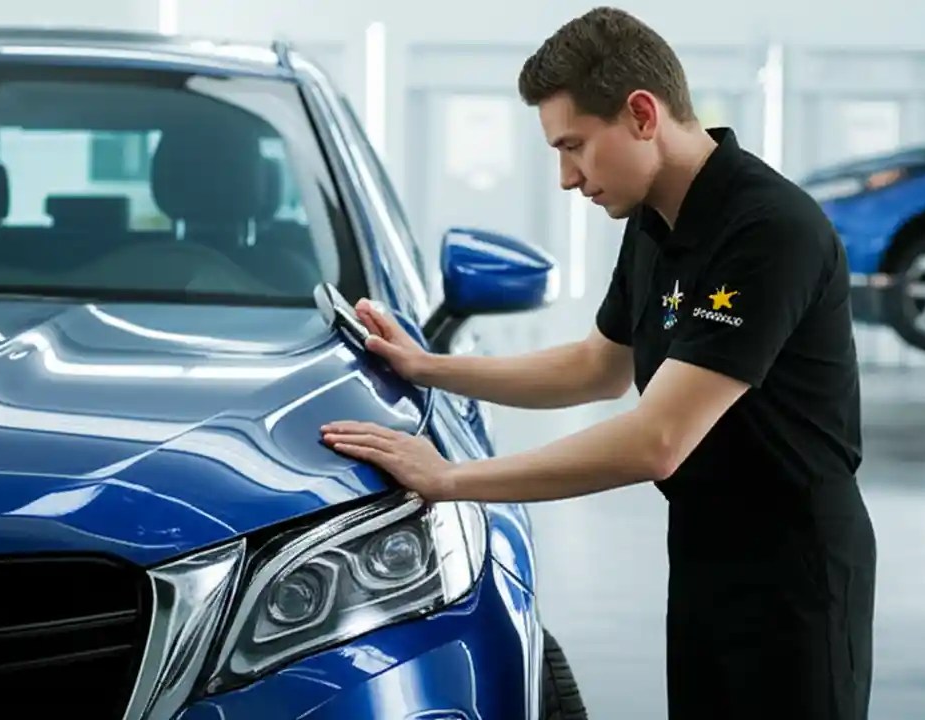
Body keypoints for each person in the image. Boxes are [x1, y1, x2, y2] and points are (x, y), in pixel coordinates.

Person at [320, 6, 876, 719]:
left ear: (642, 114)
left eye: (574, 145)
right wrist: (427, 367)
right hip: (706, 551)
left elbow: (658, 441)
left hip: (797, 572)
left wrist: (451, 479)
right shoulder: (656, 220)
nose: (566, 177)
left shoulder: (768, 230)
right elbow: (597, 366)